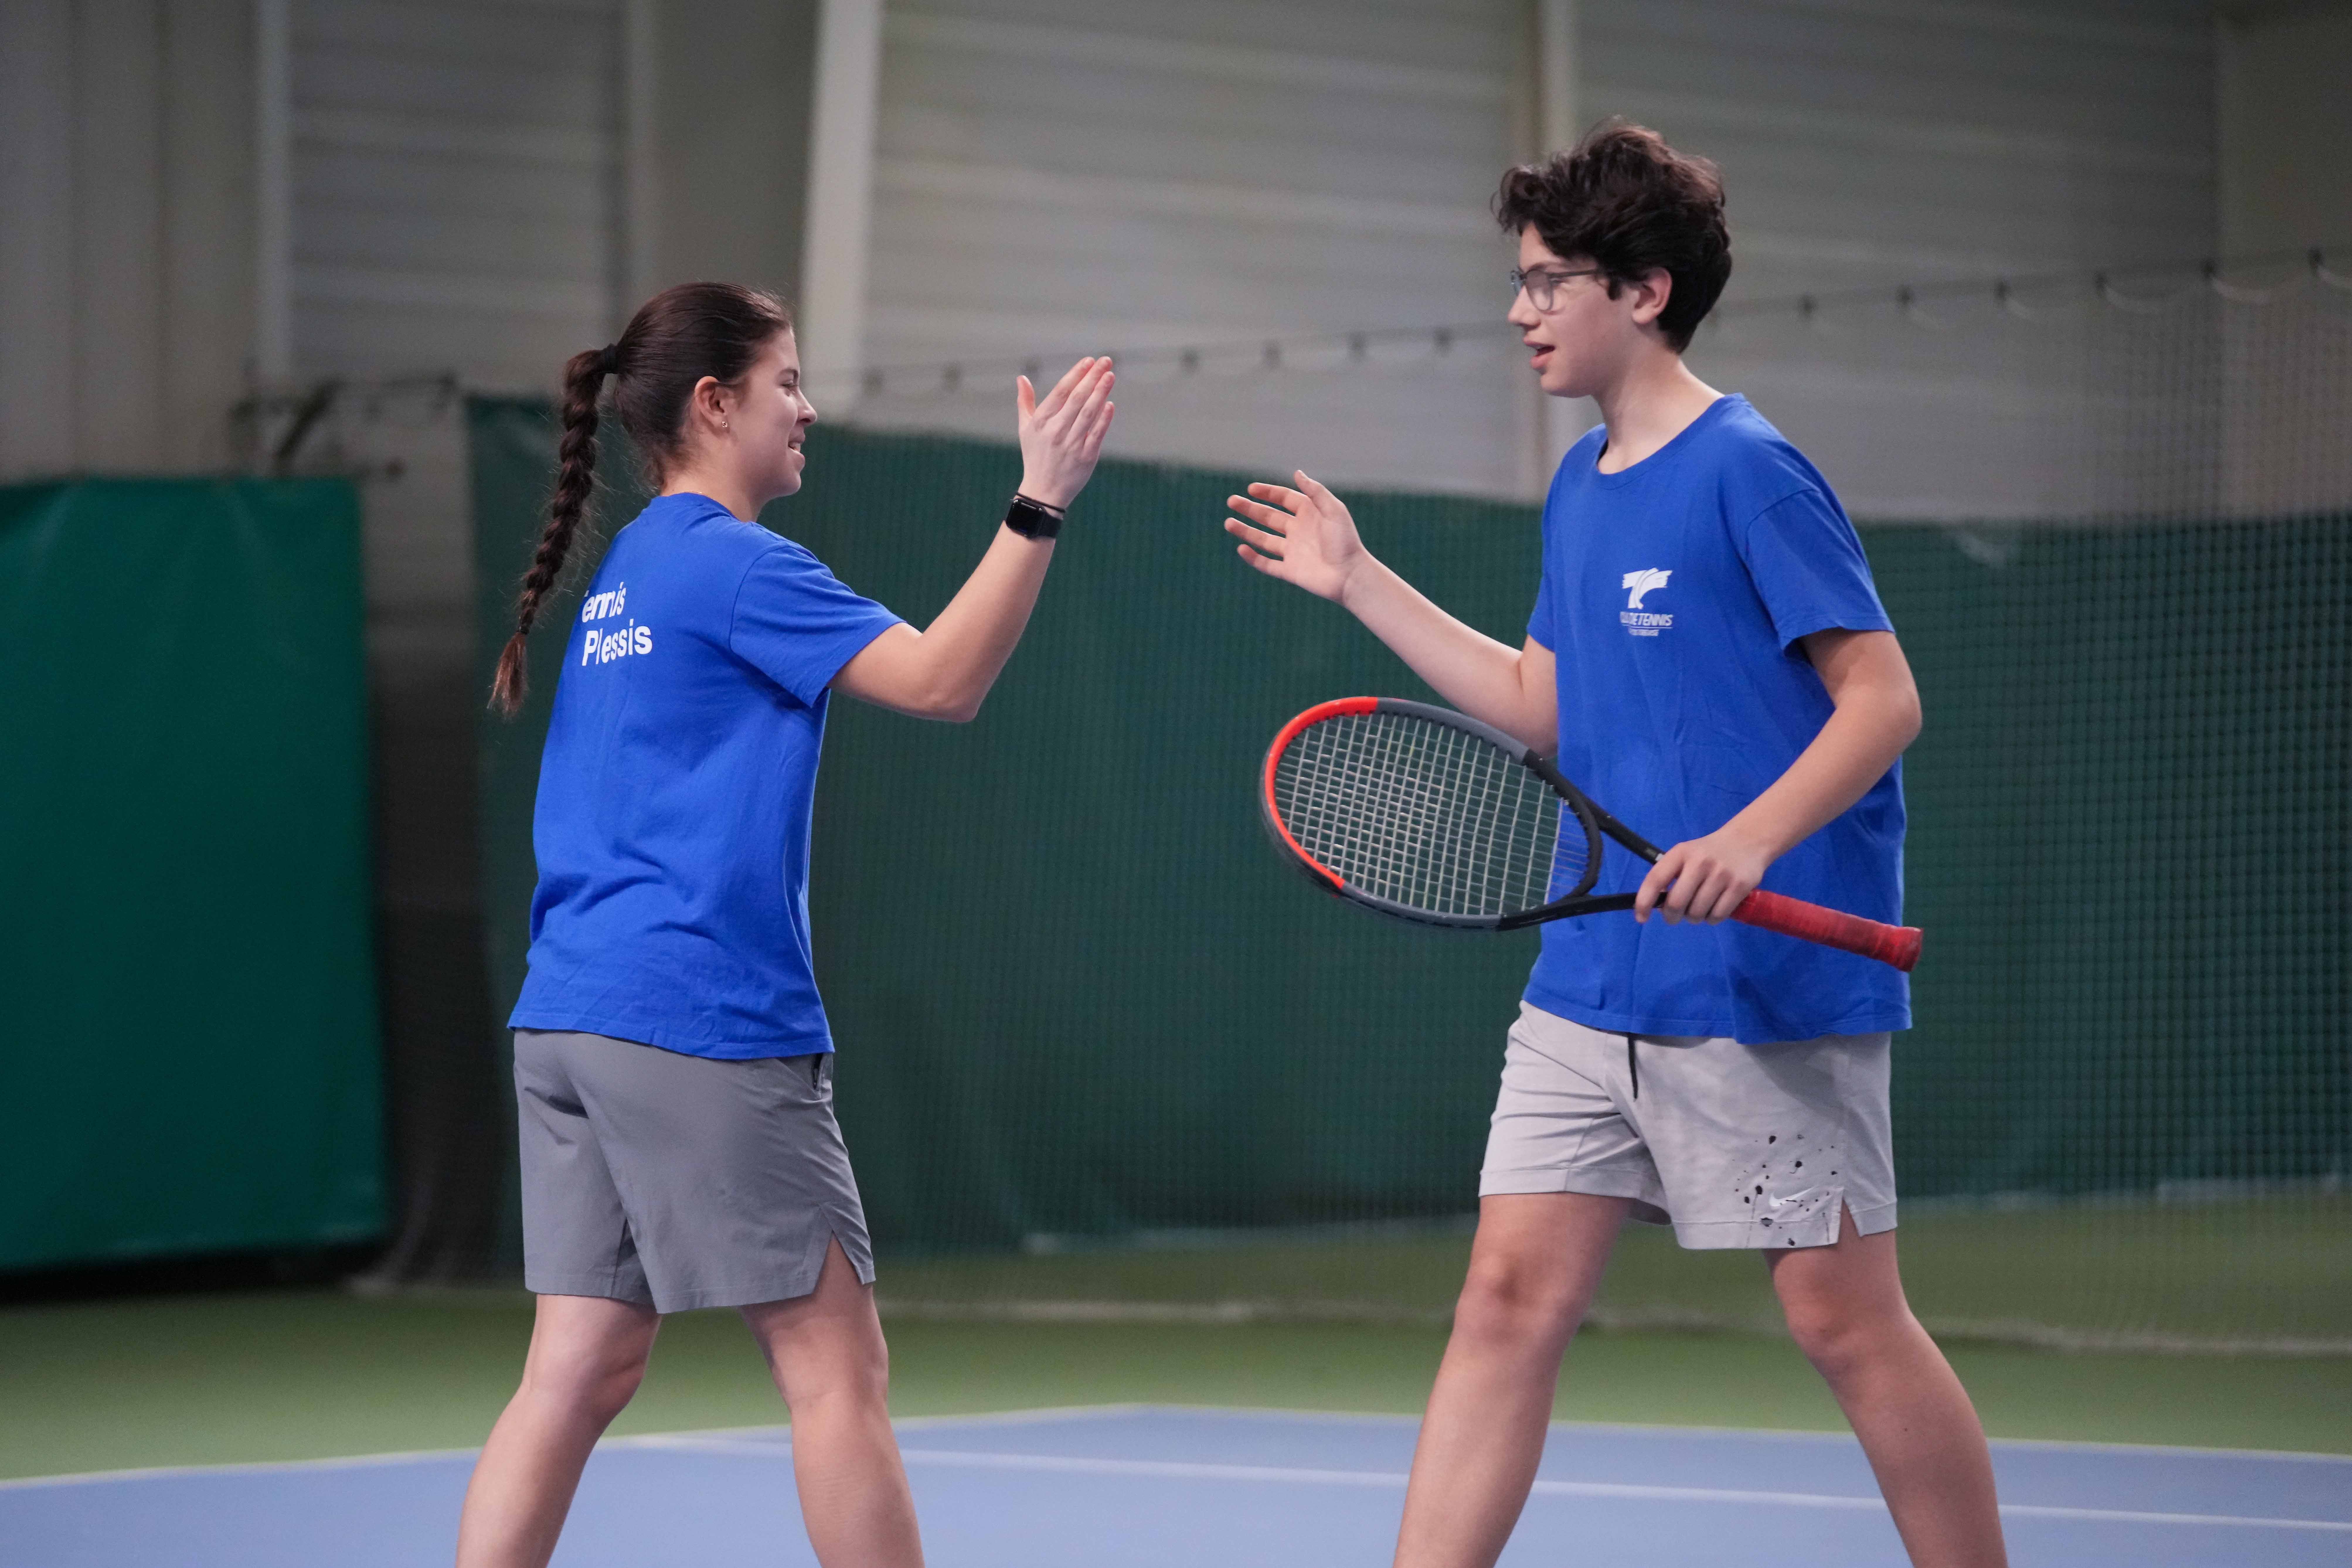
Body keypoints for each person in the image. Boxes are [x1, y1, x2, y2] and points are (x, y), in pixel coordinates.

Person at [1222, 123, 2007, 1568]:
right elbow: (1543, 707)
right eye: (1519, 283)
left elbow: (1882, 697)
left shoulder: (1753, 473)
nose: (1521, 311)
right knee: (1508, 1301)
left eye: (1546, 283)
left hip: (1759, 988)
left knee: (1843, 1321)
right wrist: (1360, 581)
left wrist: (1751, 843)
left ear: (1640, 292)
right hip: (1590, 982)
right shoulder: (1585, 484)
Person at [460, 280, 1113, 1568]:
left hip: (567, 1021)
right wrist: (1038, 505)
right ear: (715, 404)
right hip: (694, 1017)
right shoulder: (735, 564)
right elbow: (943, 681)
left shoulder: (631, 569)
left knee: (574, 1371)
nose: (808, 408)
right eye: (787, 385)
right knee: (834, 1366)